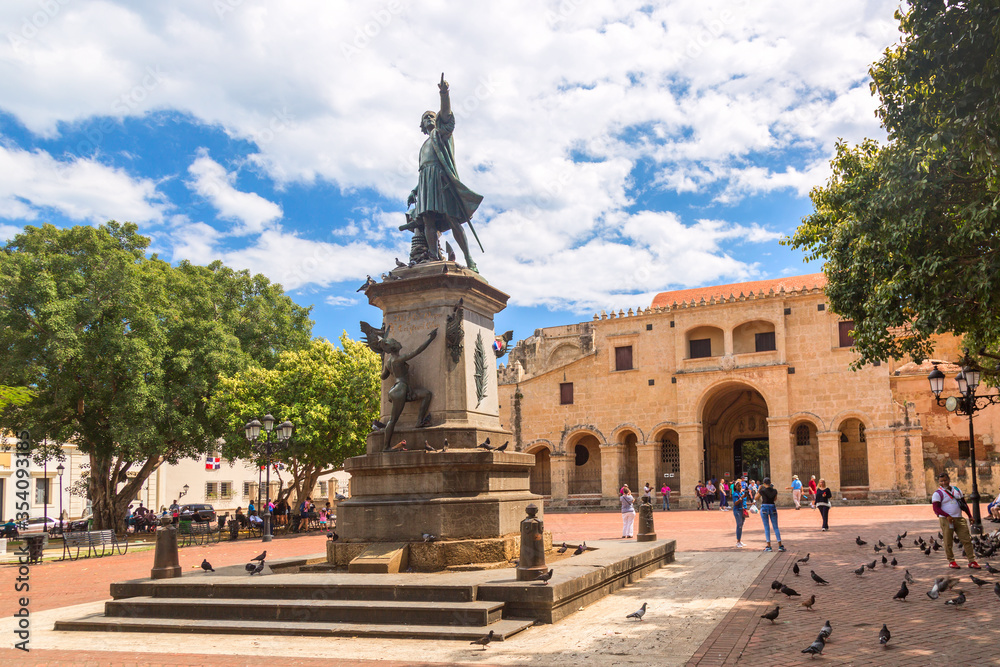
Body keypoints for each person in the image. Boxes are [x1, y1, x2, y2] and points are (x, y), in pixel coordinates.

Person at [407, 74, 484, 272]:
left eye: (432, 116)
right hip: (426, 182)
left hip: (442, 180)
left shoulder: (441, 135)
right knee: (428, 220)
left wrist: (444, 93)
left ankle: (469, 259)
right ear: (421, 125)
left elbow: (447, 115)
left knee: (452, 218)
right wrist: (415, 190)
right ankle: (433, 256)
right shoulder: (424, 145)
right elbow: (424, 169)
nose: (429, 118)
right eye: (425, 117)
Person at [931, 472, 980, 569]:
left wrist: (970, 516)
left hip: (959, 518)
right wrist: (947, 515)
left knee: (967, 539)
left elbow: (964, 504)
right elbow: (936, 509)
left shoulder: (957, 490)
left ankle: (972, 561)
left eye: (945, 480)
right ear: (939, 482)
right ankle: (951, 561)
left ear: (949, 480)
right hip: (946, 520)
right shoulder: (937, 494)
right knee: (948, 541)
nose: (943, 483)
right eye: (941, 481)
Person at [754, 477, 785, 552]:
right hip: (772, 506)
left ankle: (769, 546)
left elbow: (756, 498)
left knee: (766, 527)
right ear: (770, 483)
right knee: (775, 527)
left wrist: (759, 489)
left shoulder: (762, 490)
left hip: (764, 507)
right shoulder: (774, 491)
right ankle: (780, 545)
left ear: (764, 483)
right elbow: (775, 499)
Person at [731, 480, 748, 548]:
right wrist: (741, 498)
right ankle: (738, 541)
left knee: (741, 525)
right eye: (738, 486)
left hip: (742, 510)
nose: (740, 487)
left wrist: (751, 504)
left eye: (740, 485)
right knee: (739, 525)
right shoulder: (735, 494)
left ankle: (740, 540)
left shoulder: (742, 493)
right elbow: (735, 503)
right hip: (737, 510)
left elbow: (744, 502)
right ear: (735, 487)